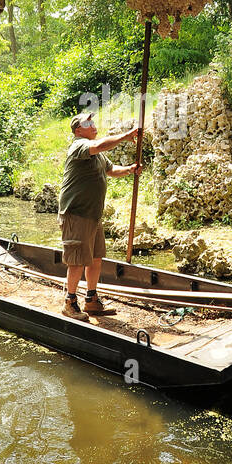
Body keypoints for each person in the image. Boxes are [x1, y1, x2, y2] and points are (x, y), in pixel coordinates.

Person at [58, 111, 142, 319]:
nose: (94, 125)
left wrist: (131, 169)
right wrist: (125, 136)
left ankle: (91, 300)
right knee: (77, 260)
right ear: (78, 130)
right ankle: (69, 302)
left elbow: (111, 170)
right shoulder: (79, 145)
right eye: (88, 123)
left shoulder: (97, 155)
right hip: (76, 213)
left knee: (95, 258)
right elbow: (101, 145)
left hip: (92, 215)